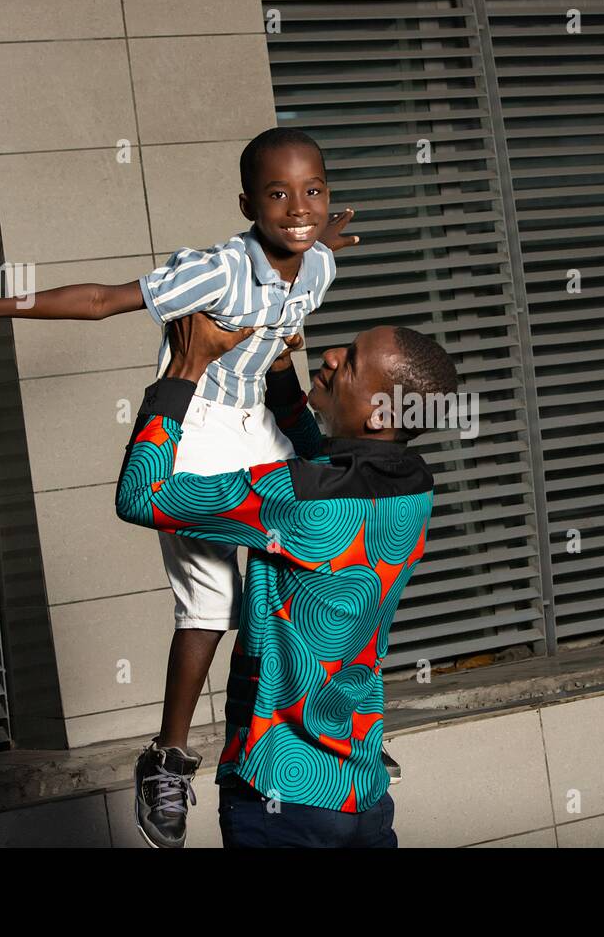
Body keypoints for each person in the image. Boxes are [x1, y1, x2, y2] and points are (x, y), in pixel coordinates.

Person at [0, 127, 358, 848]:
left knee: (326, 551)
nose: (297, 207)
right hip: (193, 422)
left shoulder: (321, 264)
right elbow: (101, 299)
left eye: (312, 192)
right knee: (215, 599)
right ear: (247, 203)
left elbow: (280, 348)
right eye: (277, 194)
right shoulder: (215, 271)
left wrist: (313, 236)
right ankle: (167, 757)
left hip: (255, 421)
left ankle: (313, 724)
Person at [115, 309, 457, 847]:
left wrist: (182, 371)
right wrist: (279, 370)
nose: (330, 356)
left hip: (280, 792)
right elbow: (325, 457)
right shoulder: (412, 484)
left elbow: (142, 496)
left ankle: (166, 754)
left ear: (379, 413)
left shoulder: (297, 498)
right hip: (360, 789)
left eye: (349, 364)